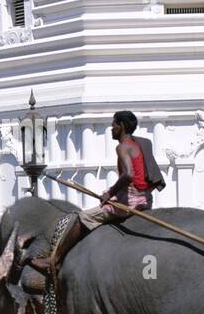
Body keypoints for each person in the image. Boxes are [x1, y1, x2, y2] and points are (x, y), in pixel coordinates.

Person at [32, 110, 166, 277]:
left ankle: (53, 261)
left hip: (129, 202)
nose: (111, 128)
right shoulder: (138, 145)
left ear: (122, 126)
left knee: (82, 218)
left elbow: (129, 174)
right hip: (145, 199)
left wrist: (110, 193)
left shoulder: (122, 147)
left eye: (114, 125)